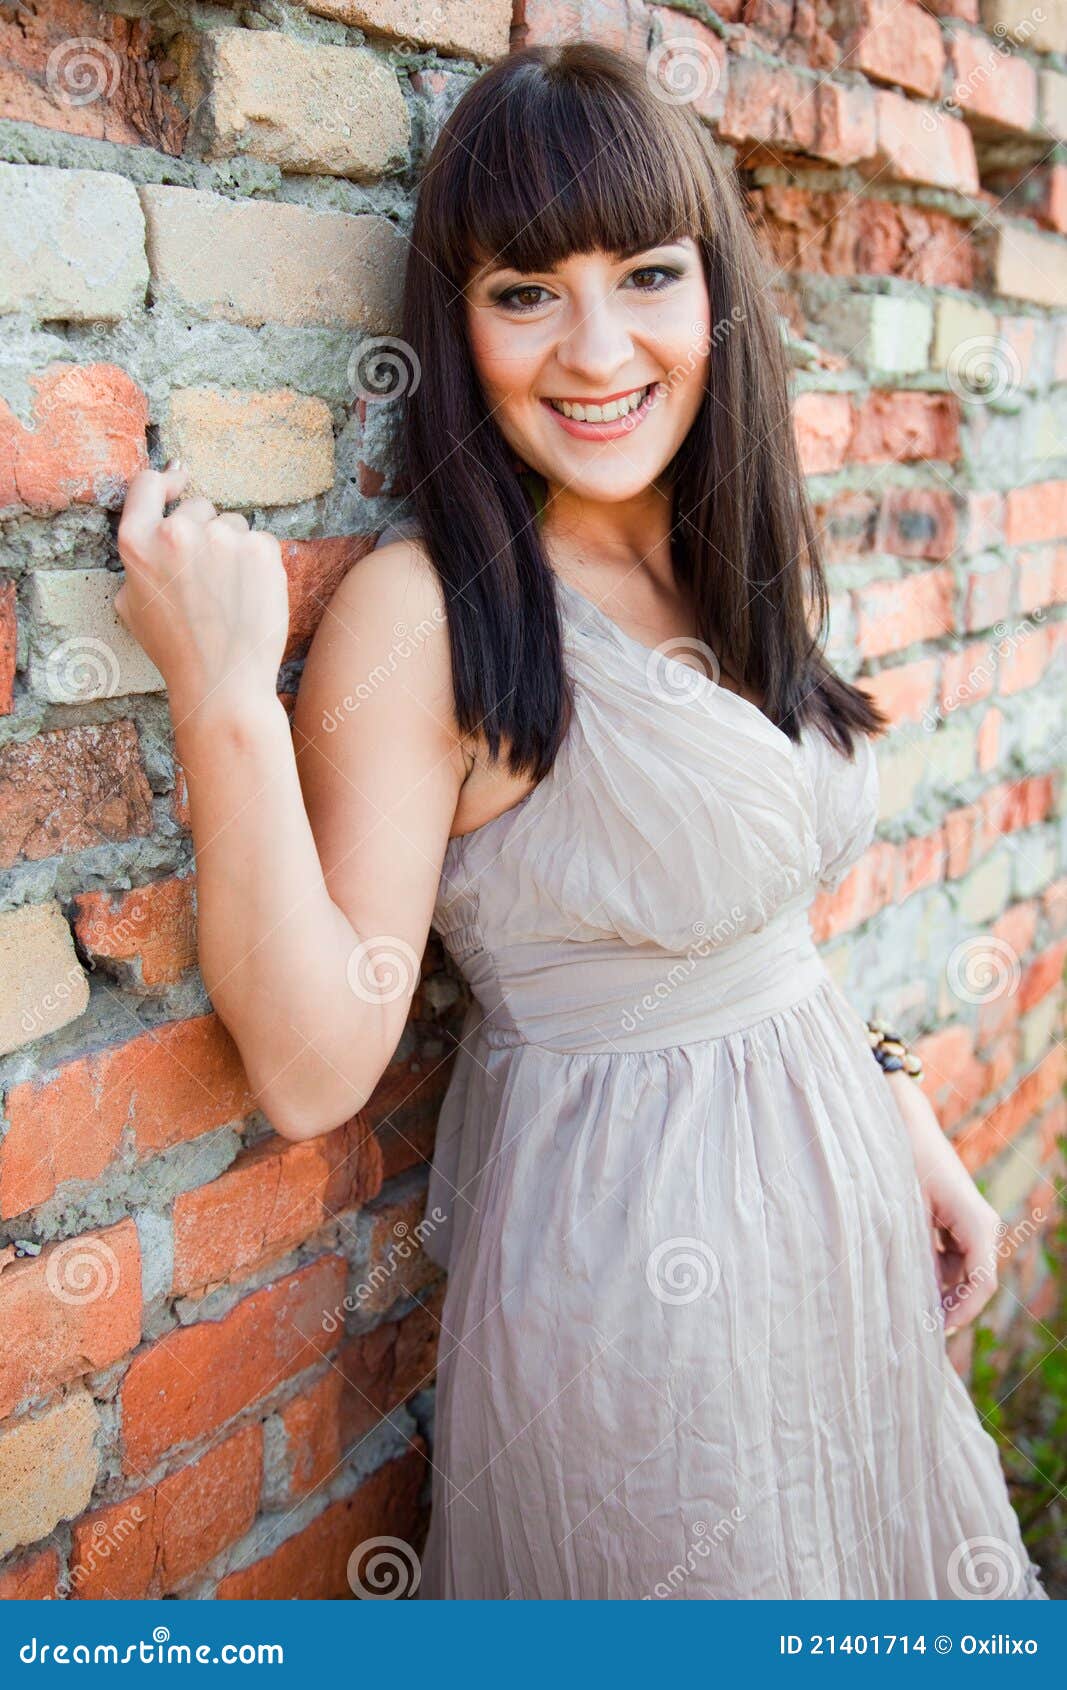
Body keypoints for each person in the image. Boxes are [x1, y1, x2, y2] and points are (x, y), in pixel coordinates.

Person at [115, 42, 1049, 1601]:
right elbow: (309, 1062)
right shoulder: (438, 612)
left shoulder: (717, 547)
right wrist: (223, 699)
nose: (598, 346)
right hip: (642, 1324)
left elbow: (750, 924)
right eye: (526, 289)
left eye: (649, 274)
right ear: (454, 323)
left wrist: (897, 1107)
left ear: (715, 293)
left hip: (839, 1261)